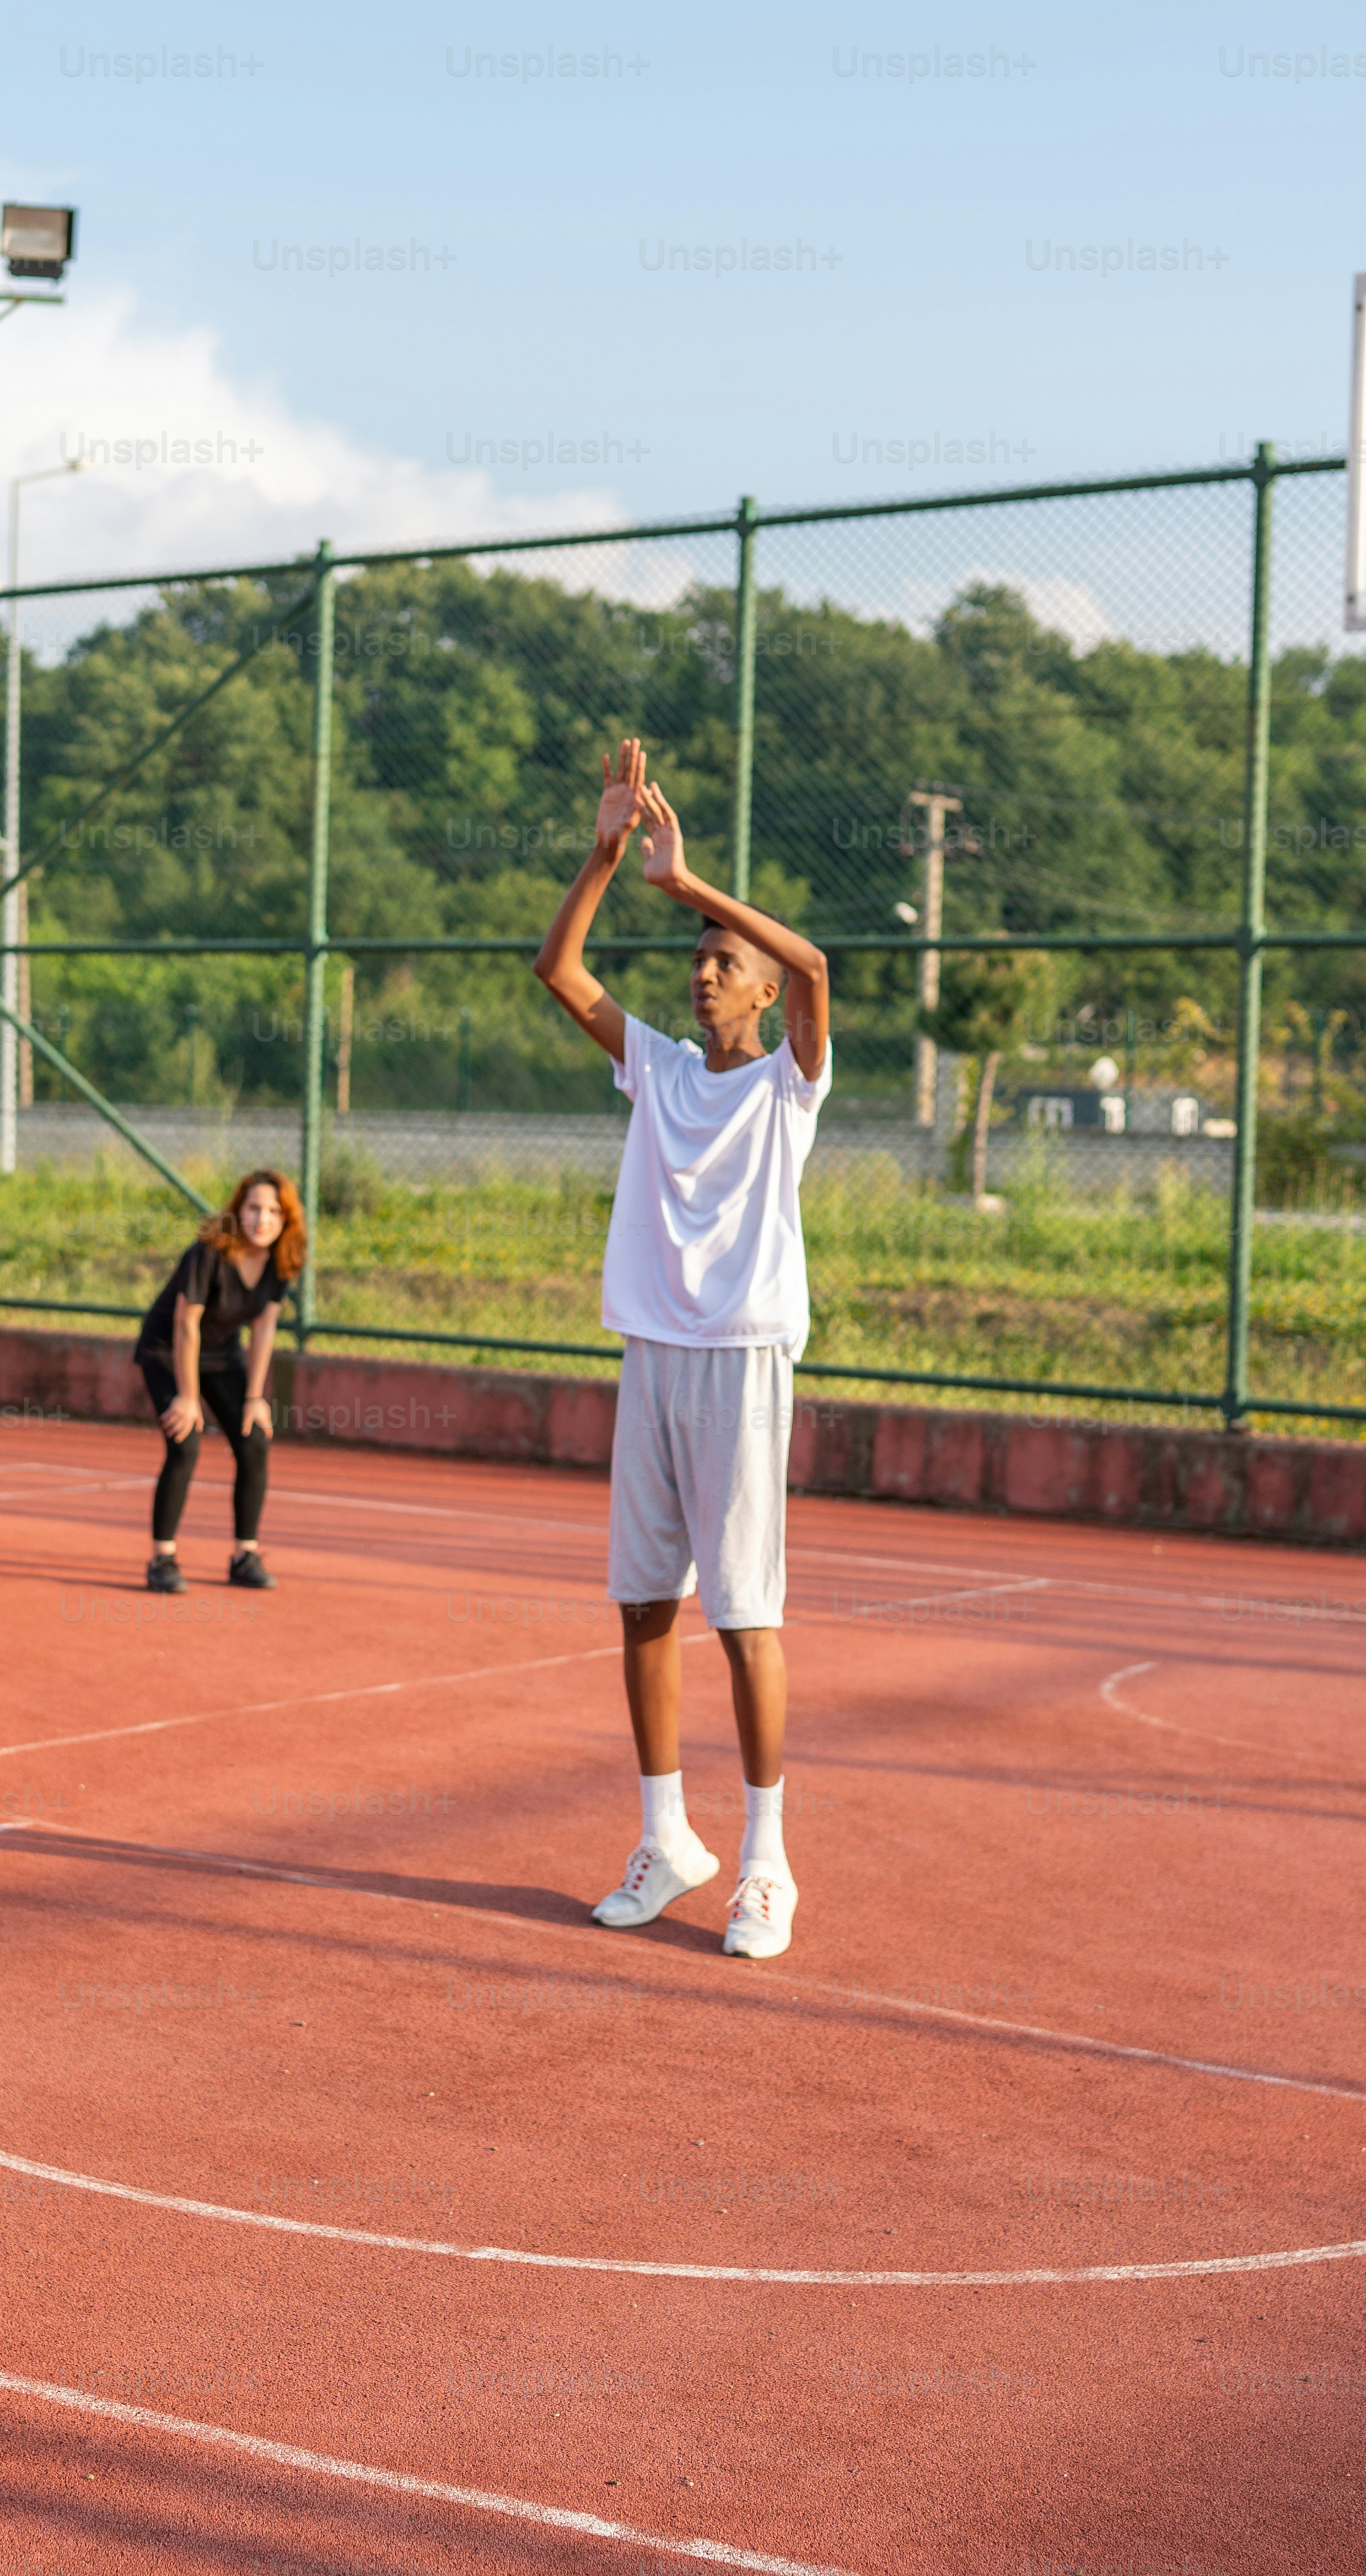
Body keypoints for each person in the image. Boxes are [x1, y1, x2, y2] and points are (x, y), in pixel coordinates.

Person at [529, 739, 831, 1961]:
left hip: (745, 1363)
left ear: (759, 996)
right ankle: (670, 1837)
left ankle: (768, 1863)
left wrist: (687, 880)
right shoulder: (654, 1069)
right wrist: (605, 856)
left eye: (723, 964)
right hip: (650, 1353)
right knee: (645, 1604)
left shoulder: (790, 1085)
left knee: (746, 1614)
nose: (705, 972)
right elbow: (557, 967)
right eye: (699, 962)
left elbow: (813, 959)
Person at [133, 1169, 299, 1592]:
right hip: (167, 1353)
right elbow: (185, 1324)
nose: (263, 1219)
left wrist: (254, 1397)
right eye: (254, 1209)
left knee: (254, 1439)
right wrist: (188, 1398)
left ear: (286, 1220)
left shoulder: (281, 1259)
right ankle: (162, 1560)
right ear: (238, 1211)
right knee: (185, 1442)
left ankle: (245, 1556)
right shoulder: (209, 1251)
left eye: (274, 1212)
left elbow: (264, 1329)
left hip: (222, 1357)